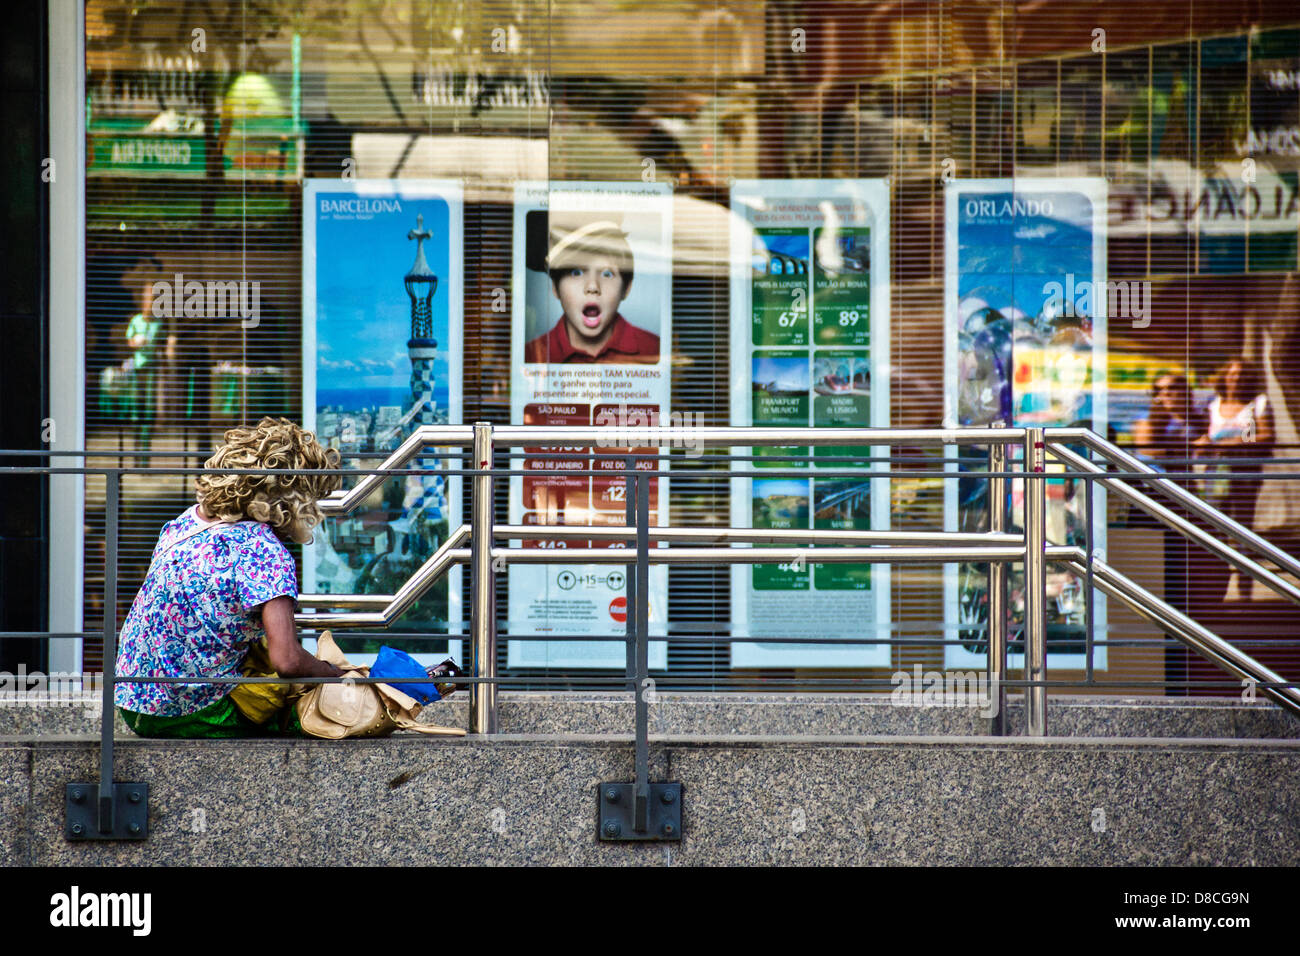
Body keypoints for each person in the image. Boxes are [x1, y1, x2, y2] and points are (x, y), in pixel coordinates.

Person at [115, 417, 347, 737]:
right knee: (316, 709)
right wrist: (333, 674)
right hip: (195, 710)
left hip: (133, 701)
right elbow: (288, 661)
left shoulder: (183, 524)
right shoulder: (263, 550)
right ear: (292, 498)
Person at [524, 220, 660, 364]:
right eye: (576, 272)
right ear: (555, 288)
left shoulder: (656, 351)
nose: (593, 287)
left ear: (626, 289)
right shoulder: (531, 356)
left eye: (607, 274)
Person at [1194, 358, 1275, 529]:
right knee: (1215, 516)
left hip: (1244, 467)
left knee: (1242, 518)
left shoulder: (1257, 403)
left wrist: (1237, 442)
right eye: (1232, 374)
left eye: (1242, 374)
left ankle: (1242, 553)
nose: (1236, 378)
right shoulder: (1212, 404)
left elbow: (1267, 435)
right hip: (1215, 467)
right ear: (1224, 377)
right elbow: (1203, 433)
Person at [1134, 372, 1208, 463]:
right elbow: (1146, 450)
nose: (1165, 393)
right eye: (1159, 389)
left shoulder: (1195, 418)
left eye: (1171, 388)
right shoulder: (1148, 417)